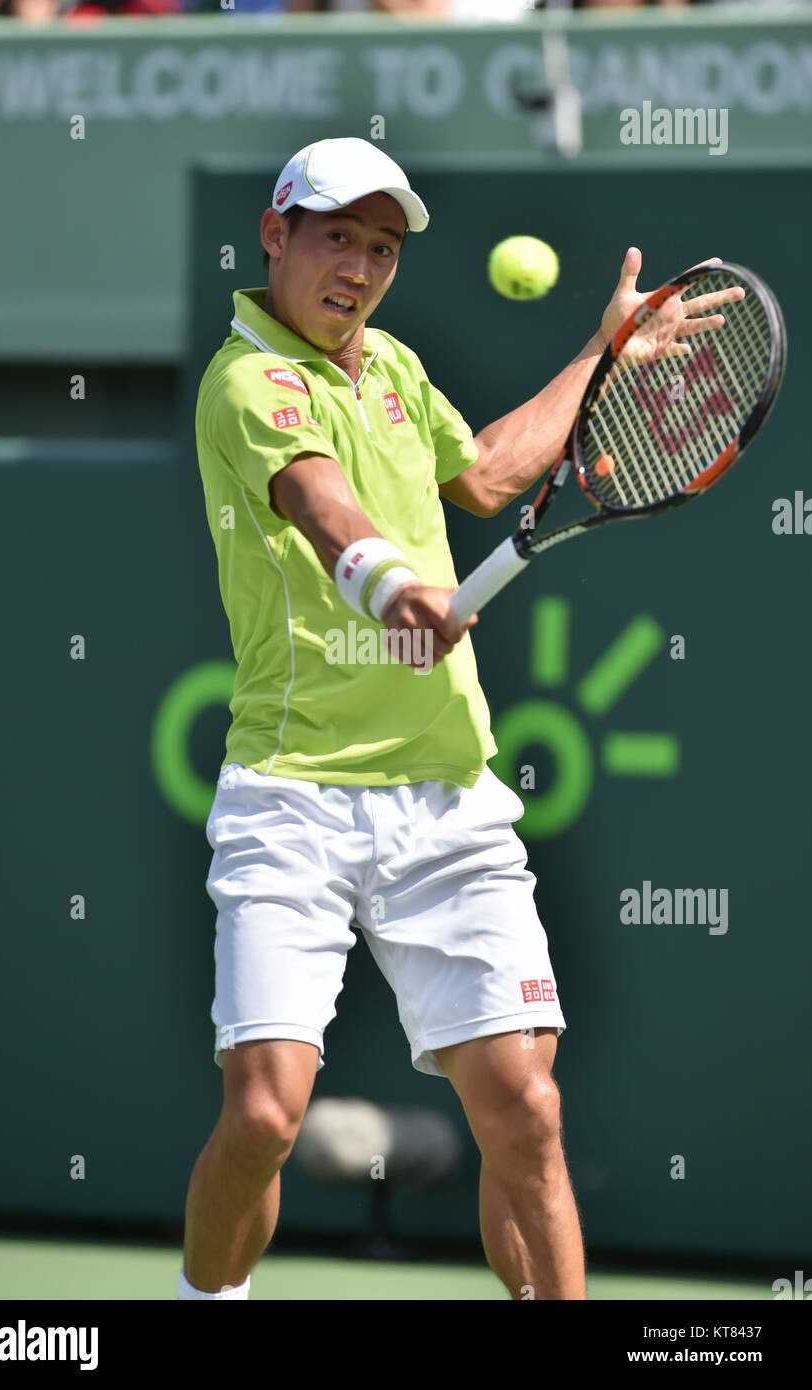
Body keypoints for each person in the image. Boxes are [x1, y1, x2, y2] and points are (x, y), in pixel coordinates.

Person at [180, 136, 731, 1301]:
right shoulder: (246, 382)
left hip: (446, 796)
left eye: (382, 249)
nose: (361, 267)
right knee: (268, 1111)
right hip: (293, 796)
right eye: (337, 236)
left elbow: (483, 475)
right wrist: (394, 588)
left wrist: (601, 351)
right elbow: (320, 504)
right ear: (275, 234)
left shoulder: (391, 366)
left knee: (525, 1108)